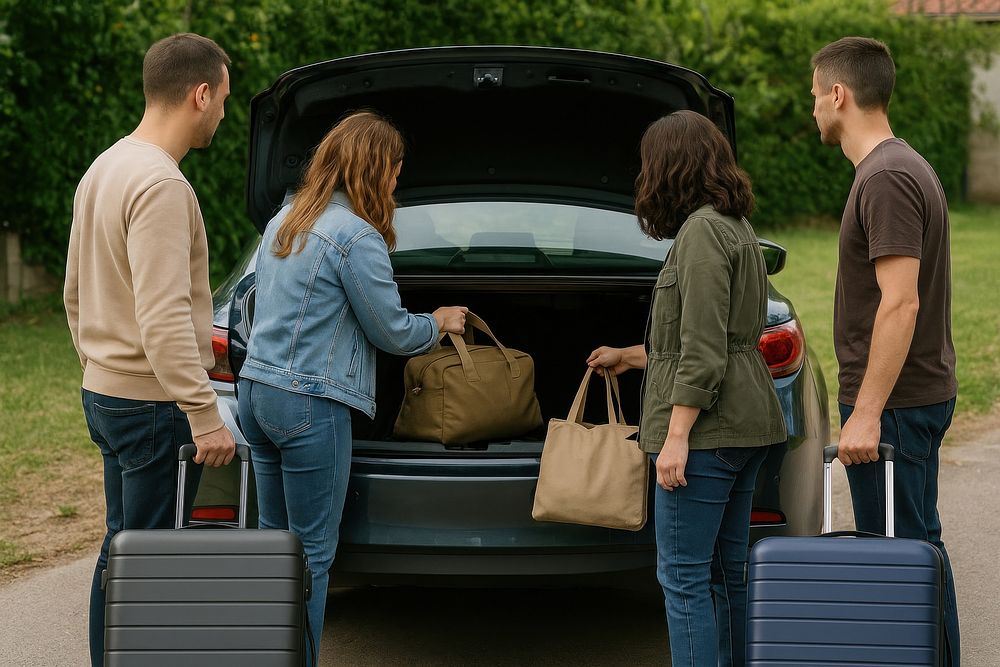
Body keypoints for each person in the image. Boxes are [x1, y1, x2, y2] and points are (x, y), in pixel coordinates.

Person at [236, 110, 468, 661]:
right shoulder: (356, 236)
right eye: (393, 169)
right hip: (309, 405)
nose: (395, 181)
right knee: (313, 554)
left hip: (254, 394)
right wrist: (440, 322)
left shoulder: (285, 219)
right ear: (372, 167)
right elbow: (391, 331)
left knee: (276, 546)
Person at [587, 110, 787, 667]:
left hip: (707, 435)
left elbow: (702, 352)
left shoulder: (700, 233)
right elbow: (718, 336)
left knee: (682, 576)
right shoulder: (736, 227)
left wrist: (676, 437)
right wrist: (631, 356)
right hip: (749, 426)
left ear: (670, 166)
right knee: (728, 576)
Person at [63, 33, 235, 666]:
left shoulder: (105, 166)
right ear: (199, 93)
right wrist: (203, 412)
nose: (222, 113)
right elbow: (162, 318)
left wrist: (97, 365)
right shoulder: (162, 186)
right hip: (150, 404)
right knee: (147, 558)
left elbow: (73, 291)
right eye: (222, 98)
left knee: (123, 545)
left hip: (107, 394)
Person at [811, 36, 960, 664]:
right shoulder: (892, 168)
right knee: (913, 546)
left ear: (838, 94)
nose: (814, 109)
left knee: (902, 554)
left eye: (814, 96)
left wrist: (867, 410)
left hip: (895, 406)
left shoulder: (888, 177)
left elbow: (901, 302)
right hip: (900, 399)